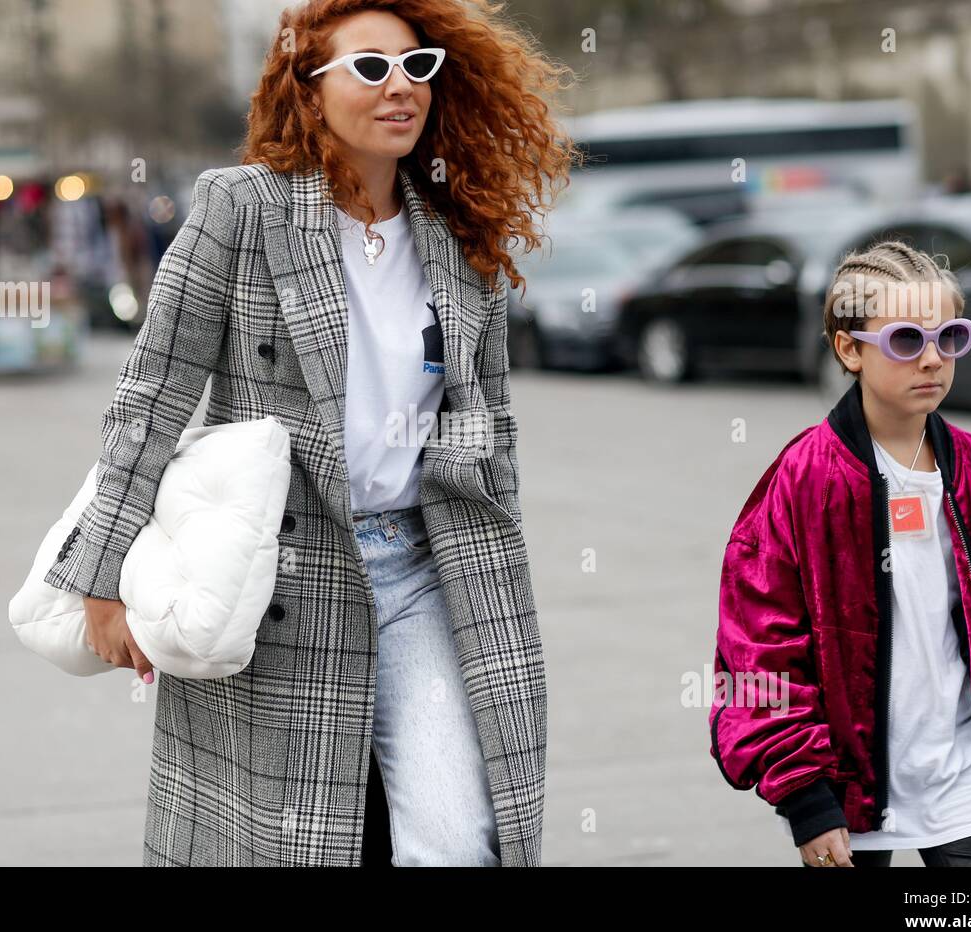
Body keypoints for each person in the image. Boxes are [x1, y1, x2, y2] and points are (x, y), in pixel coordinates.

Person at [42, 0, 578, 866]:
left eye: (418, 68)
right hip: (278, 572)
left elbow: (489, 428)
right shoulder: (241, 209)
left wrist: (496, 571)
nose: (401, 88)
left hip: (421, 567)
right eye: (370, 69)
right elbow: (153, 393)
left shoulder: (458, 233)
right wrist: (100, 577)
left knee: (459, 837)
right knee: (285, 845)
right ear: (310, 87)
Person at [709, 240, 971, 867]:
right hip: (850, 788)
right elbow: (758, 646)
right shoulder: (804, 480)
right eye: (907, 341)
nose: (933, 360)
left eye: (951, 338)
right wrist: (806, 796)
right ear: (850, 349)